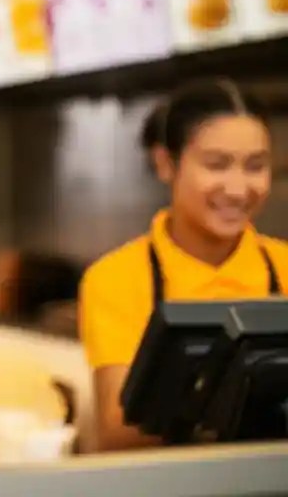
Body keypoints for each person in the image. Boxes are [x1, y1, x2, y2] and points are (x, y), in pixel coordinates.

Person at [79, 78, 287, 452]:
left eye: (255, 166)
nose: (238, 189)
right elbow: (116, 428)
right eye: (216, 165)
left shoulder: (284, 265)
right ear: (165, 163)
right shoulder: (116, 278)